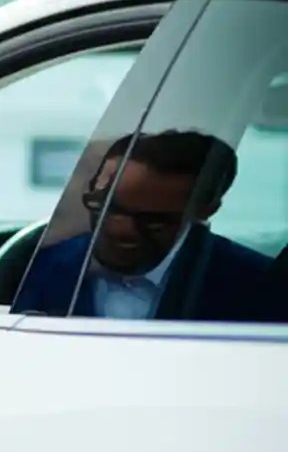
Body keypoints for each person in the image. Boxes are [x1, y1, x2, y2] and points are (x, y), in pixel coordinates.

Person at [14, 129, 276, 322]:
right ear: (91, 189)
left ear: (205, 211)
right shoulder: (36, 267)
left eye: (154, 221)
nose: (122, 230)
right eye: (108, 208)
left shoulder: (257, 285)